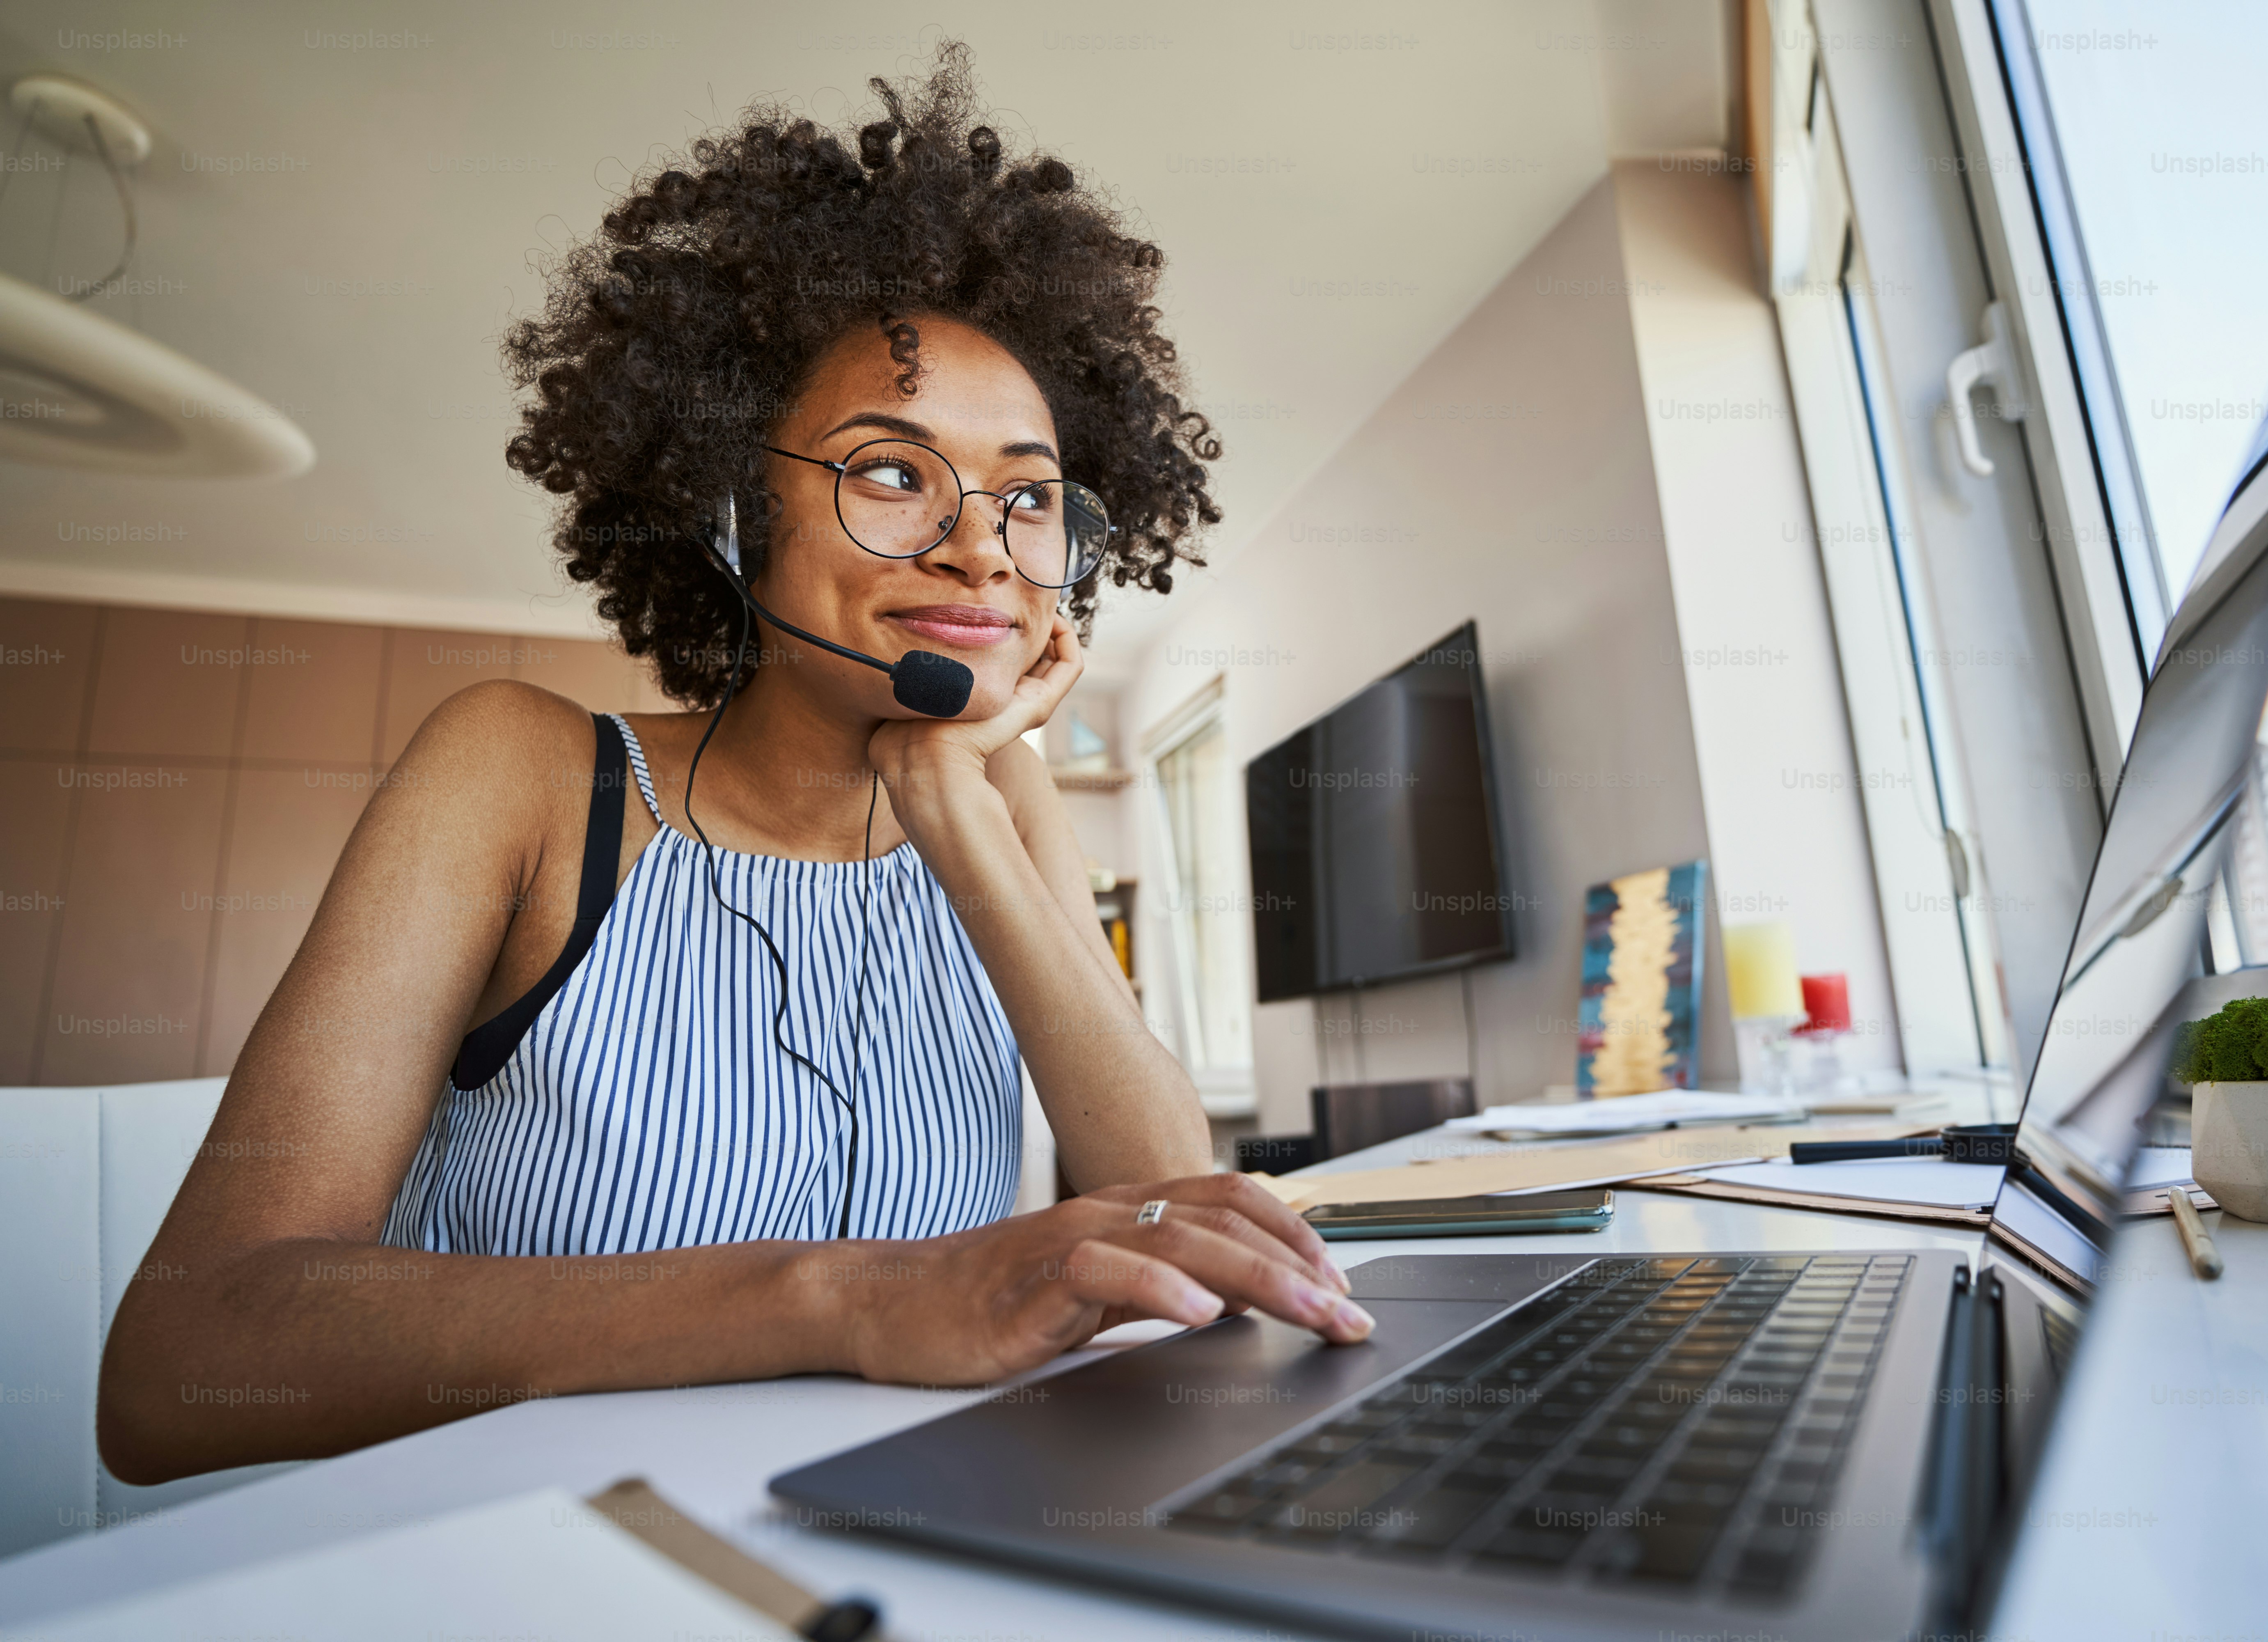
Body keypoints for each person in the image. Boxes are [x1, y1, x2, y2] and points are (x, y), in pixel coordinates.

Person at [99, 46, 1369, 1486]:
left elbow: (1162, 1202)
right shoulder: (522, 771)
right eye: (891, 471)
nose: (979, 547)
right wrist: (843, 1297)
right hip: (525, 1545)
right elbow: (184, 1358)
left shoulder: (1002, 804)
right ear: (734, 517)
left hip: (894, 1528)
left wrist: (954, 797)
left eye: (1027, 498)